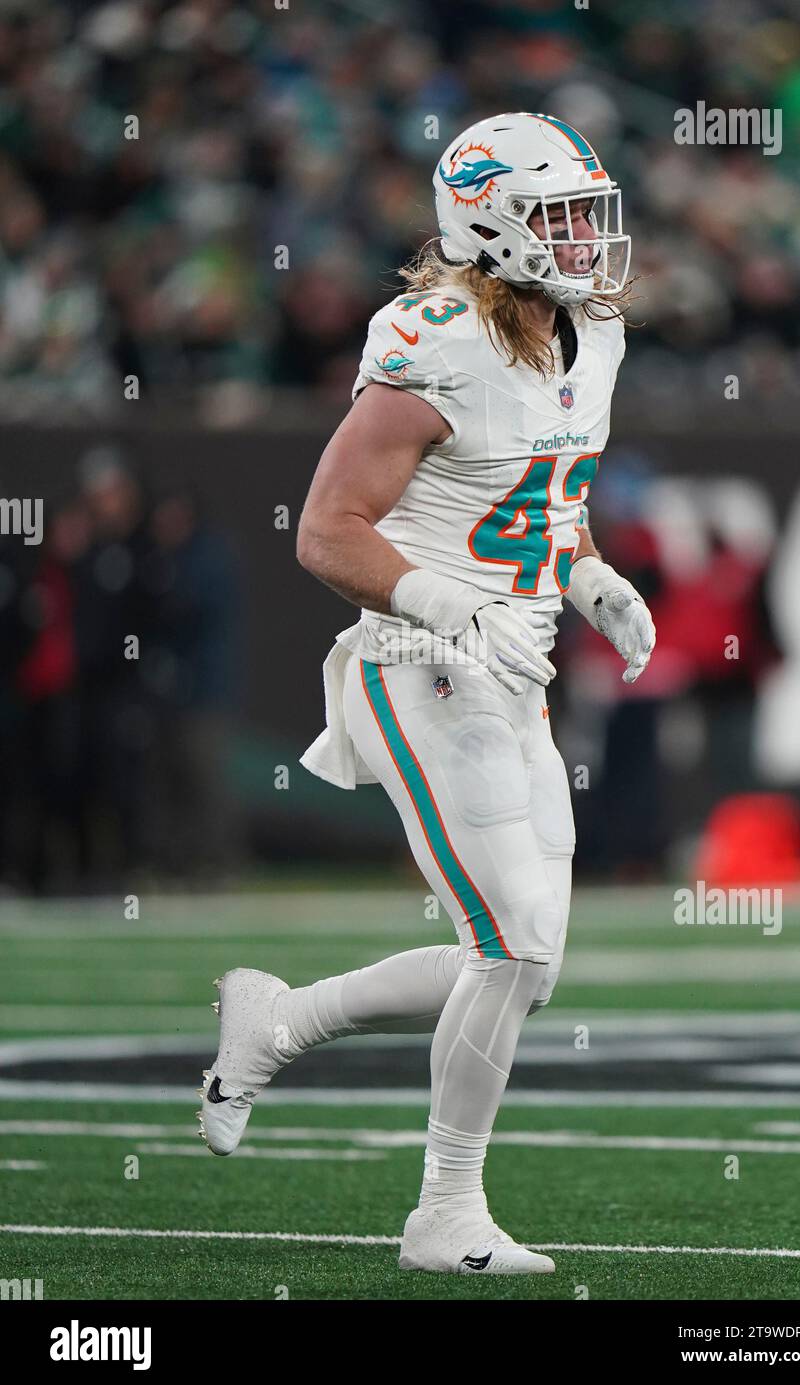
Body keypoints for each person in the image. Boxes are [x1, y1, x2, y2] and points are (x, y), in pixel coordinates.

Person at [197, 113, 656, 1275]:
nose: (584, 238)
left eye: (584, 211)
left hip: (514, 667)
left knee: (525, 957)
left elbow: (543, 495)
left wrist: (590, 574)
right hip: (416, 666)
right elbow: (324, 530)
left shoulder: (585, 333)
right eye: (556, 215)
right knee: (510, 939)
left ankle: (280, 1020)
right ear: (490, 223)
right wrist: (444, 603)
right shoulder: (435, 341)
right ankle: (443, 1210)